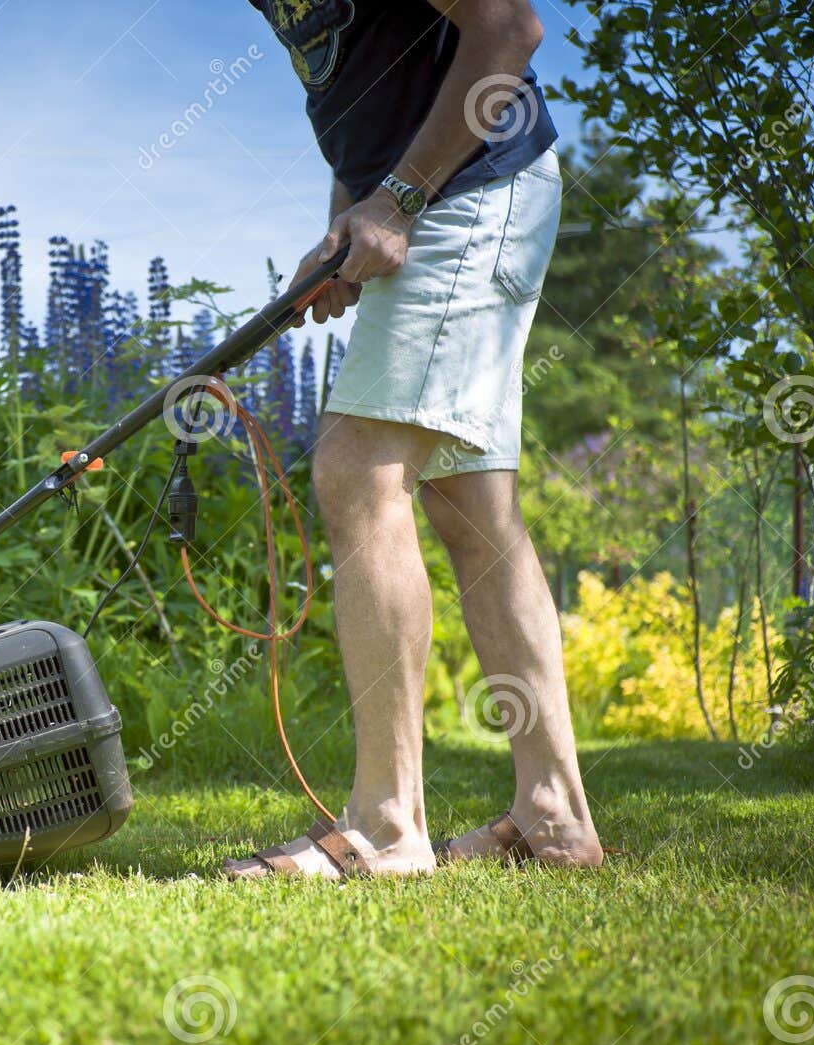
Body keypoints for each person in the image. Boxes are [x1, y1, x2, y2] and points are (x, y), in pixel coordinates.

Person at [224, 0, 604, 880]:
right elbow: (357, 92)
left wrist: (396, 202)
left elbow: (509, 29)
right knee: (471, 505)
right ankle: (555, 814)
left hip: (472, 187)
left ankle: (388, 826)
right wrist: (346, 221)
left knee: (360, 473)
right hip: (451, 194)